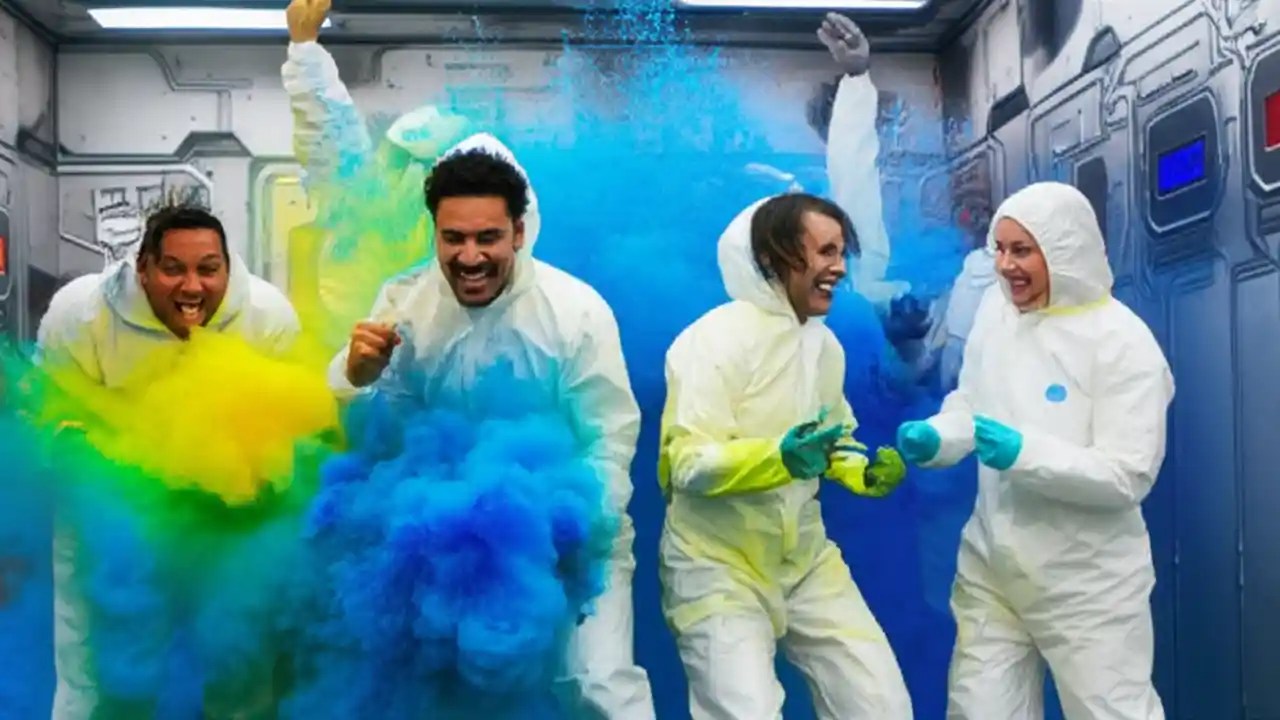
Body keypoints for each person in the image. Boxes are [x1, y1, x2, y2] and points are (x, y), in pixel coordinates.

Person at [326, 135, 656, 719]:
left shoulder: (574, 311)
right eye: (453, 237)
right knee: (453, 694)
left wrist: (574, 533)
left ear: (520, 233)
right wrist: (355, 376)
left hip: (571, 534)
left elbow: (609, 435)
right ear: (434, 233)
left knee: (595, 684)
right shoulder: (404, 302)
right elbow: (380, 438)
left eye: (487, 237)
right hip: (443, 536)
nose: (469, 256)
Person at [895, 182, 1173, 719]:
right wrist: (939, 437)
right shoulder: (996, 320)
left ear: (1064, 251)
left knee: (1109, 711)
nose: (1004, 266)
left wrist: (1024, 454)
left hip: (1088, 581)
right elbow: (970, 406)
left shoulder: (1121, 341)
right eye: (998, 249)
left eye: (1021, 251)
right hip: (993, 567)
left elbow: (1127, 475)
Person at [37, 203, 300, 719]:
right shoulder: (82, 314)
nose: (192, 286)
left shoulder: (266, 318)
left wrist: (251, 474)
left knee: (240, 655)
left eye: (208, 268)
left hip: (224, 514)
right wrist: (83, 452)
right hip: (112, 512)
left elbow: (287, 438)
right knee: (101, 664)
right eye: (173, 268)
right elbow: (50, 417)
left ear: (228, 266)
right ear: (143, 268)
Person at [658, 192, 914, 719]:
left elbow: (833, 437)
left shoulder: (824, 346)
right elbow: (687, 464)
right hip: (716, 567)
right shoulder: (712, 341)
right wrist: (780, 458)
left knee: (880, 705)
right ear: (773, 257)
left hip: (804, 562)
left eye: (842, 253)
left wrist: (859, 469)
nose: (838, 268)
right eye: (824, 252)